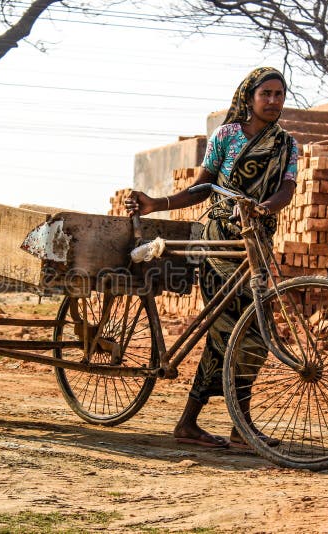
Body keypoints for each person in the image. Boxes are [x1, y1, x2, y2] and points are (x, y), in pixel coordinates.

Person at [125, 67, 299, 449]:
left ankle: (226, 425)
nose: (273, 101)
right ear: (248, 98)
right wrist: (158, 204)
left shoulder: (287, 144)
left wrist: (263, 208)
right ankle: (220, 425)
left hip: (254, 243)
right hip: (219, 244)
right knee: (231, 332)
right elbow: (201, 188)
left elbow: (287, 189)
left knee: (253, 335)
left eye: (279, 94)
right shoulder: (226, 137)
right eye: (266, 94)